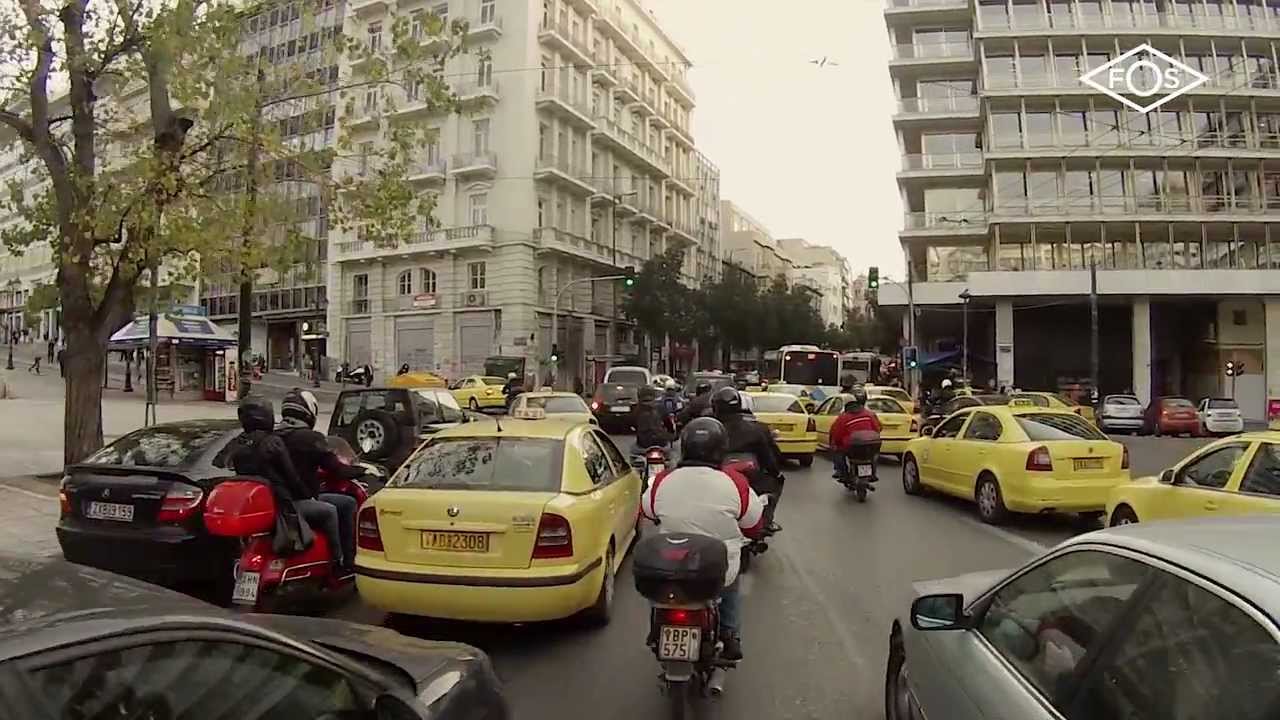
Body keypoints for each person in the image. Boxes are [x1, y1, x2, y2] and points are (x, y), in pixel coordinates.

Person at [641, 417, 765, 661]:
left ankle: (656, 627)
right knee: (731, 586)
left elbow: (648, 511)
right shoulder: (735, 482)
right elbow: (753, 525)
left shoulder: (662, 480)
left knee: (658, 592)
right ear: (721, 449)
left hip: (670, 564)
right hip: (717, 568)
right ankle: (729, 633)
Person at [227, 399, 344, 573]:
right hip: (282, 505)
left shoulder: (238, 443)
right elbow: (291, 476)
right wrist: (307, 495)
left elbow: (223, 464)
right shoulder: (272, 442)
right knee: (329, 511)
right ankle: (338, 562)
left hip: (260, 505)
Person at [276, 388, 361, 572]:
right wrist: (360, 471)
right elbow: (336, 469)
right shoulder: (311, 438)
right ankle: (342, 561)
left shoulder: (274, 436)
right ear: (309, 411)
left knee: (332, 502)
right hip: (299, 501)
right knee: (345, 504)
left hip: (278, 500)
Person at [711, 386, 784, 533]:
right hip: (747, 478)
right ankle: (766, 520)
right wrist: (775, 472)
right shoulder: (757, 429)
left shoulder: (711, 428)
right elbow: (768, 457)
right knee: (776, 481)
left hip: (716, 477)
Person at [829, 386, 882, 478]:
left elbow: (837, 434)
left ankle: (842, 472)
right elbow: (878, 428)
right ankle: (873, 473)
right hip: (871, 444)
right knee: (874, 454)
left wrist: (836, 444)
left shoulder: (843, 417)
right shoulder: (869, 414)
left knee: (837, 452)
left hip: (852, 446)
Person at [633, 385, 674, 453]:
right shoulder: (660, 407)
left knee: (633, 451)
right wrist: (671, 434)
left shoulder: (637, 408)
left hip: (643, 443)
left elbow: (632, 424)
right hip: (661, 441)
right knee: (670, 454)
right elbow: (668, 424)